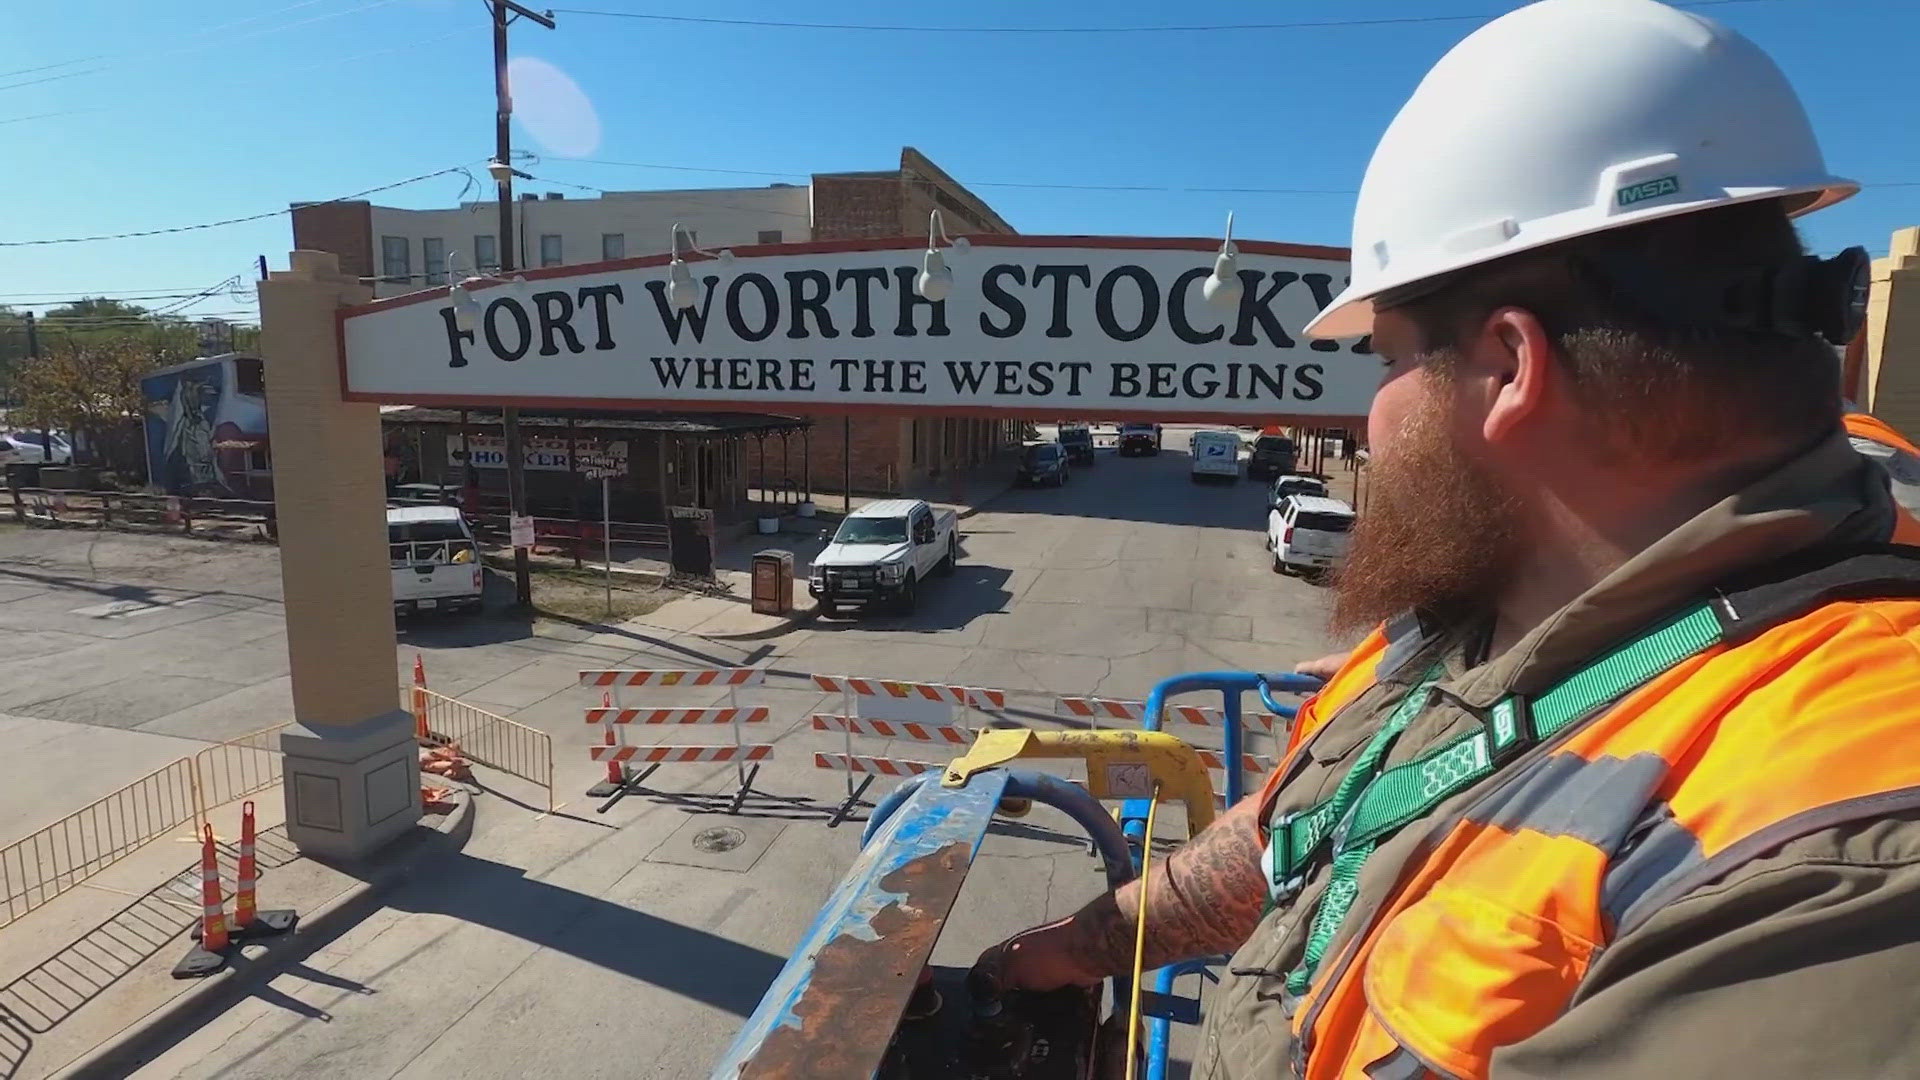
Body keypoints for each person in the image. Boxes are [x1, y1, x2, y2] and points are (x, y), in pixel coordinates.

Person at [975, 2, 1920, 1076]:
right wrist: (1073, 951)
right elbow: (1303, 838)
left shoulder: (1843, 864)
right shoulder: (1507, 612)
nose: (1368, 421)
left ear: (1509, 368)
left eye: (1388, 362)